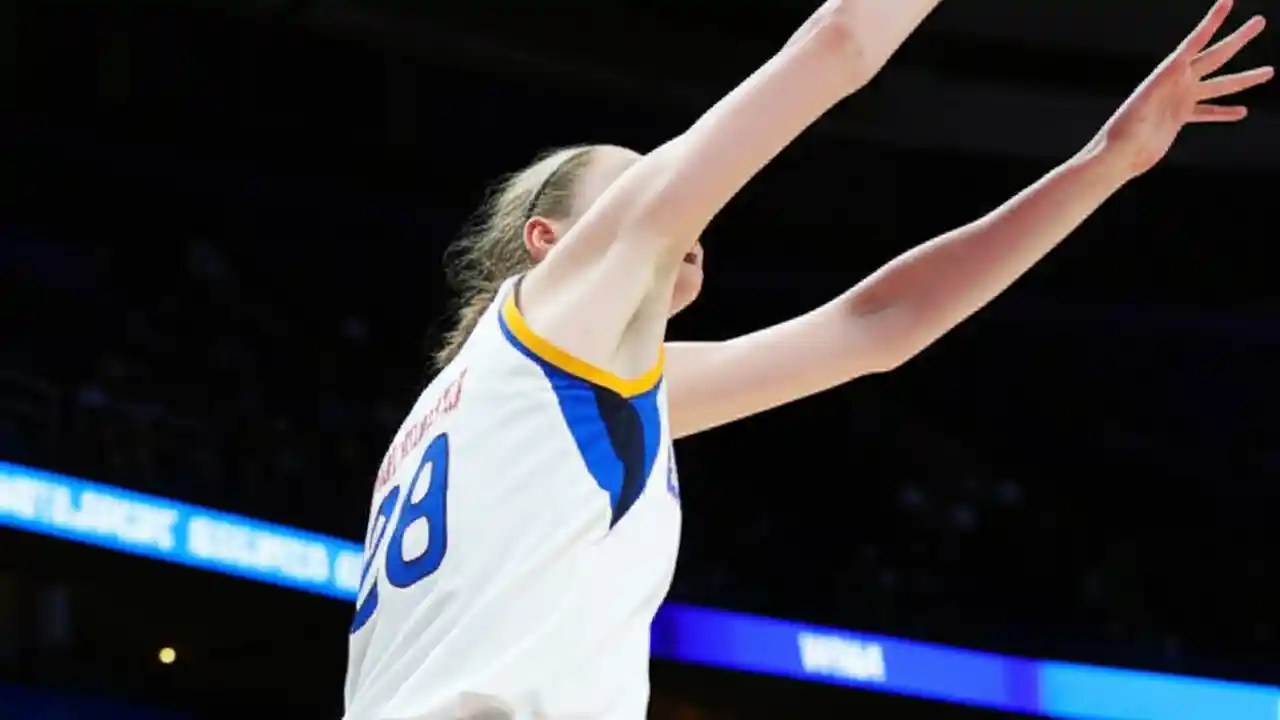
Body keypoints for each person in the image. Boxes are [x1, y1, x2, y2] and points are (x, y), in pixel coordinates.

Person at [342, 0, 1271, 717]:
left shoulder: (532, 399)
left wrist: (1107, 160)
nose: (672, 195)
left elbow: (880, 326)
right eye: (637, 187)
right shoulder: (554, 325)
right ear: (549, 242)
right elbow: (837, 46)